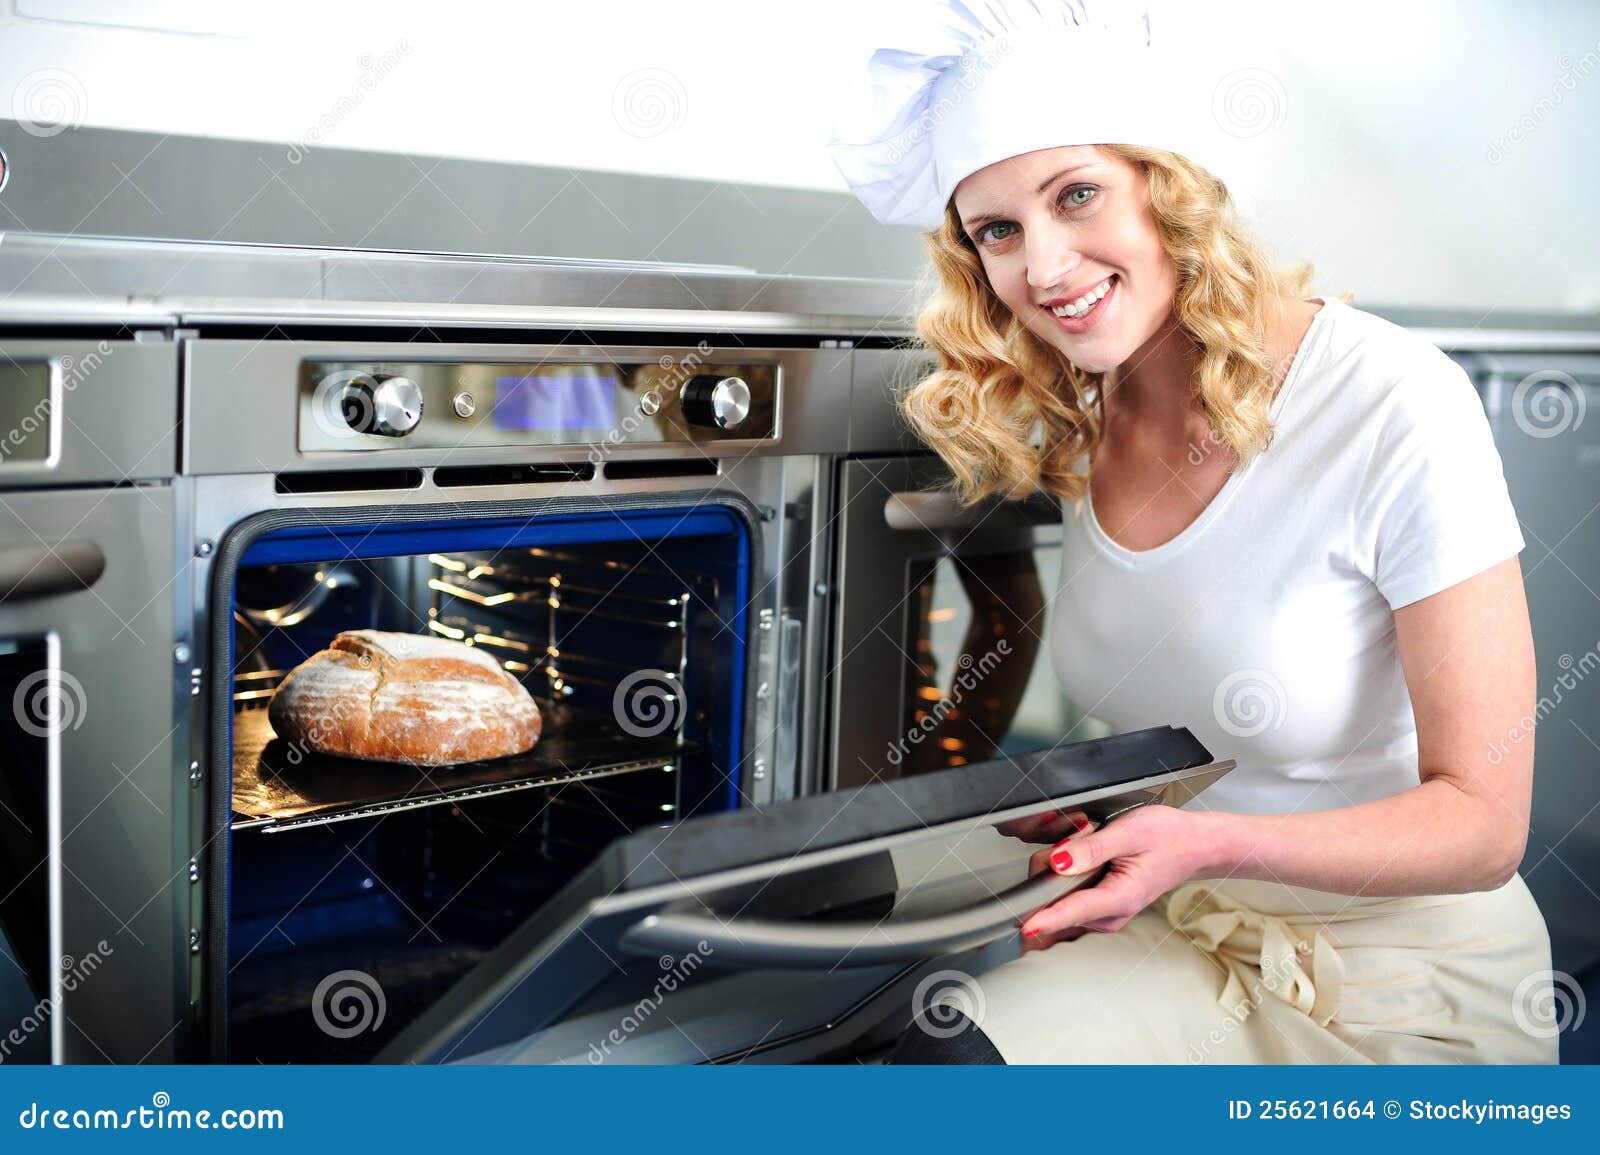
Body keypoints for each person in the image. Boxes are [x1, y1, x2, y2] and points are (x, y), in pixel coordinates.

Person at [828, 0, 1557, 1064]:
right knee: (931, 1071)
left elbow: (1485, 826)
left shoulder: (1392, 400)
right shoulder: (1083, 412)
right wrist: (1094, 815)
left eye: (1077, 195)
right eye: (998, 231)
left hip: (1407, 986)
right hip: (1187, 935)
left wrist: (1203, 841)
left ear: (1165, 185)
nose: (1045, 267)